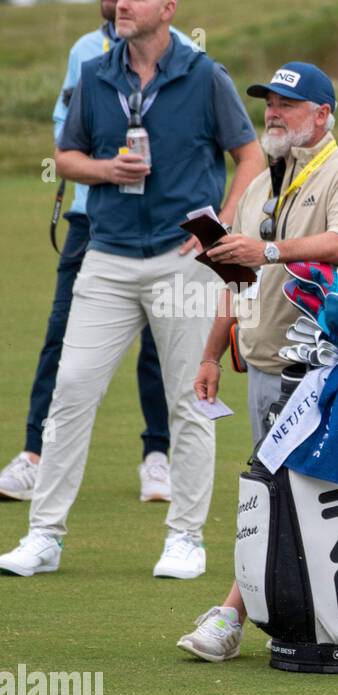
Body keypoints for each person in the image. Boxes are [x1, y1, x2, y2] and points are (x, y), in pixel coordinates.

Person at [0, 0, 262, 579]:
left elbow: (248, 156)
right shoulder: (95, 73)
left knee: (189, 399)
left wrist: (223, 219)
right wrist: (104, 171)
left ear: (167, 8)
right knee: (70, 390)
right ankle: (44, 535)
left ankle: (186, 539)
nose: (121, 4)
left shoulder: (204, 75)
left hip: (182, 259)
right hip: (108, 256)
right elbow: (65, 157)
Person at [174, 62, 338, 661]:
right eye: (268, 102)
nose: (273, 112)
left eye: (288, 104)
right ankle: (316, 615)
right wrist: (212, 352)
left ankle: (231, 616)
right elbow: (237, 280)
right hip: (264, 366)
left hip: (326, 369)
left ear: (322, 114)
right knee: (283, 492)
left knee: (281, 489)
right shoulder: (263, 183)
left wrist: (266, 248)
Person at [0, 0, 191, 505]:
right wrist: (104, 164)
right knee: (61, 334)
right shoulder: (86, 52)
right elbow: (66, 129)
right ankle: (35, 456)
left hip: (162, 225)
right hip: (94, 218)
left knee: (160, 343)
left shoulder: (188, 55)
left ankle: (158, 456)